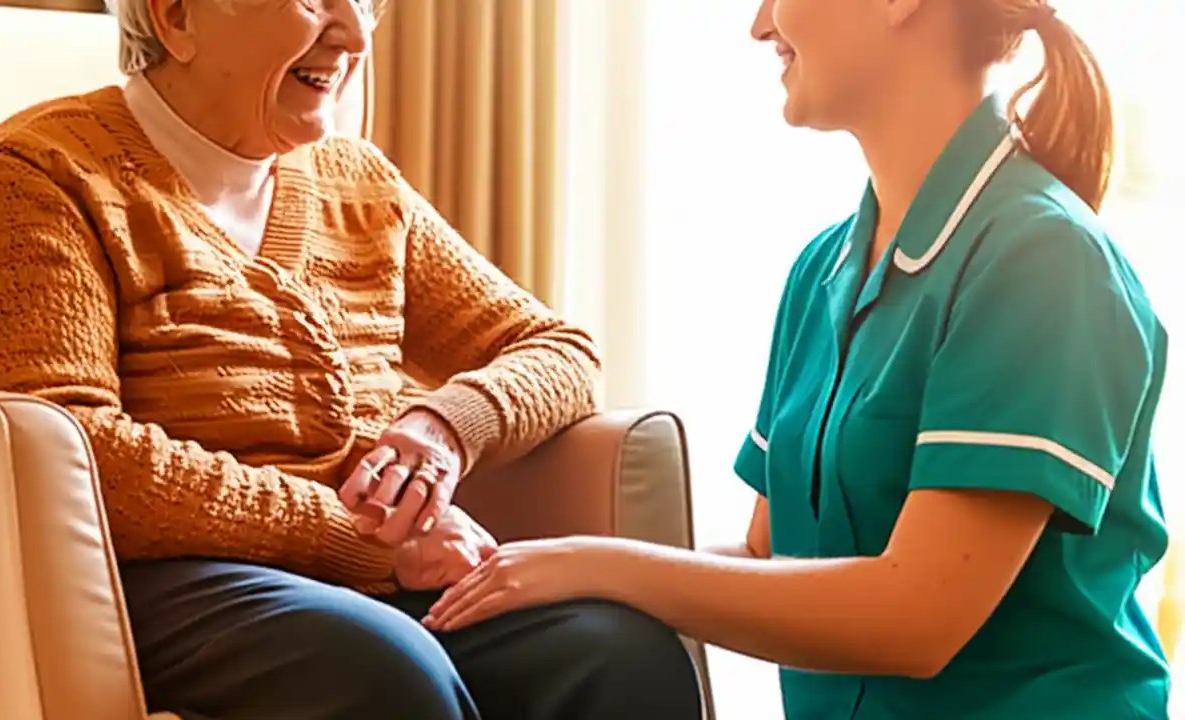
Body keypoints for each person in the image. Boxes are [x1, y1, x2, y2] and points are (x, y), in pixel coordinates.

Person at [0, 0, 703, 718]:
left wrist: (442, 426)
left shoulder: (358, 182)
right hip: (164, 575)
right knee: (380, 668)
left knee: (618, 653)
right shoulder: (45, 172)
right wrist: (361, 538)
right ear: (175, 15)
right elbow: (72, 448)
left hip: (363, 578)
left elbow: (558, 350)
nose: (356, 35)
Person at [425, 1, 1171, 718]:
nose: (759, 24)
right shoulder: (824, 270)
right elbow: (765, 556)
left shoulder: (1045, 261)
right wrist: (527, 570)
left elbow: (917, 618)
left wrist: (596, 564)